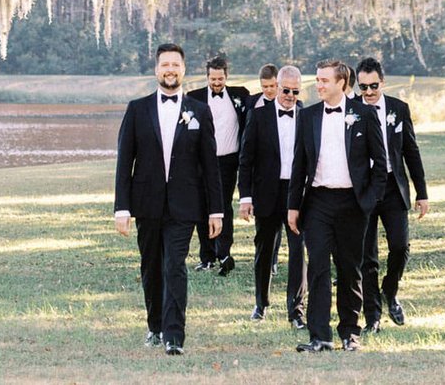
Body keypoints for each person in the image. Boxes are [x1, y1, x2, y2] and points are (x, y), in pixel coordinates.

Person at [114, 42, 224, 356]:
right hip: (146, 204)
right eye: (165, 64)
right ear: (156, 69)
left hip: (184, 205)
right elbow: (125, 162)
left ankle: (174, 336)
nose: (170, 70)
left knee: (175, 265)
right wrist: (121, 207)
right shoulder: (137, 109)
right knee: (151, 267)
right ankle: (155, 326)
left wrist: (216, 211)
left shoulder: (199, 112)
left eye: (176, 64)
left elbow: (210, 165)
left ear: (183, 69)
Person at [287, 55, 387, 353]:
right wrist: (293, 206)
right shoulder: (307, 116)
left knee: (349, 269)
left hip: (353, 203)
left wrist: (368, 201)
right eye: (317, 80)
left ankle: (350, 332)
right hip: (317, 202)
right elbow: (298, 163)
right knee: (317, 266)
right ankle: (320, 335)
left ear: (341, 83)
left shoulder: (364, 114)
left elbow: (381, 165)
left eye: (323, 80)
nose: (318, 85)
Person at [354, 57, 429, 333]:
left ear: (382, 82)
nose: (369, 92)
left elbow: (411, 150)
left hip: (392, 186)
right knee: (367, 255)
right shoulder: (351, 111)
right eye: (363, 87)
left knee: (400, 246)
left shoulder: (398, 109)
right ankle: (372, 316)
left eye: (373, 86)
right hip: (363, 190)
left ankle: (390, 290)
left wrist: (422, 191)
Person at [238, 62, 306, 329]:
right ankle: (261, 303)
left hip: (296, 193)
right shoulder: (258, 116)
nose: (290, 96)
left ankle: (296, 310)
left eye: (295, 92)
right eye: (286, 90)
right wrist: (245, 197)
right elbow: (246, 159)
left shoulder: (307, 116)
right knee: (264, 249)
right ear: (276, 87)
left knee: (297, 251)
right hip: (266, 191)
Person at [187, 53, 252, 274]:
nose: (216, 83)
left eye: (220, 79)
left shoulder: (240, 95)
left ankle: (224, 253)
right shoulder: (193, 98)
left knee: (223, 207)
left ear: (226, 77)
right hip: (201, 163)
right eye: (213, 79)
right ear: (207, 77)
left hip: (229, 162)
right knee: (202, 207)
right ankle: (206, 257)